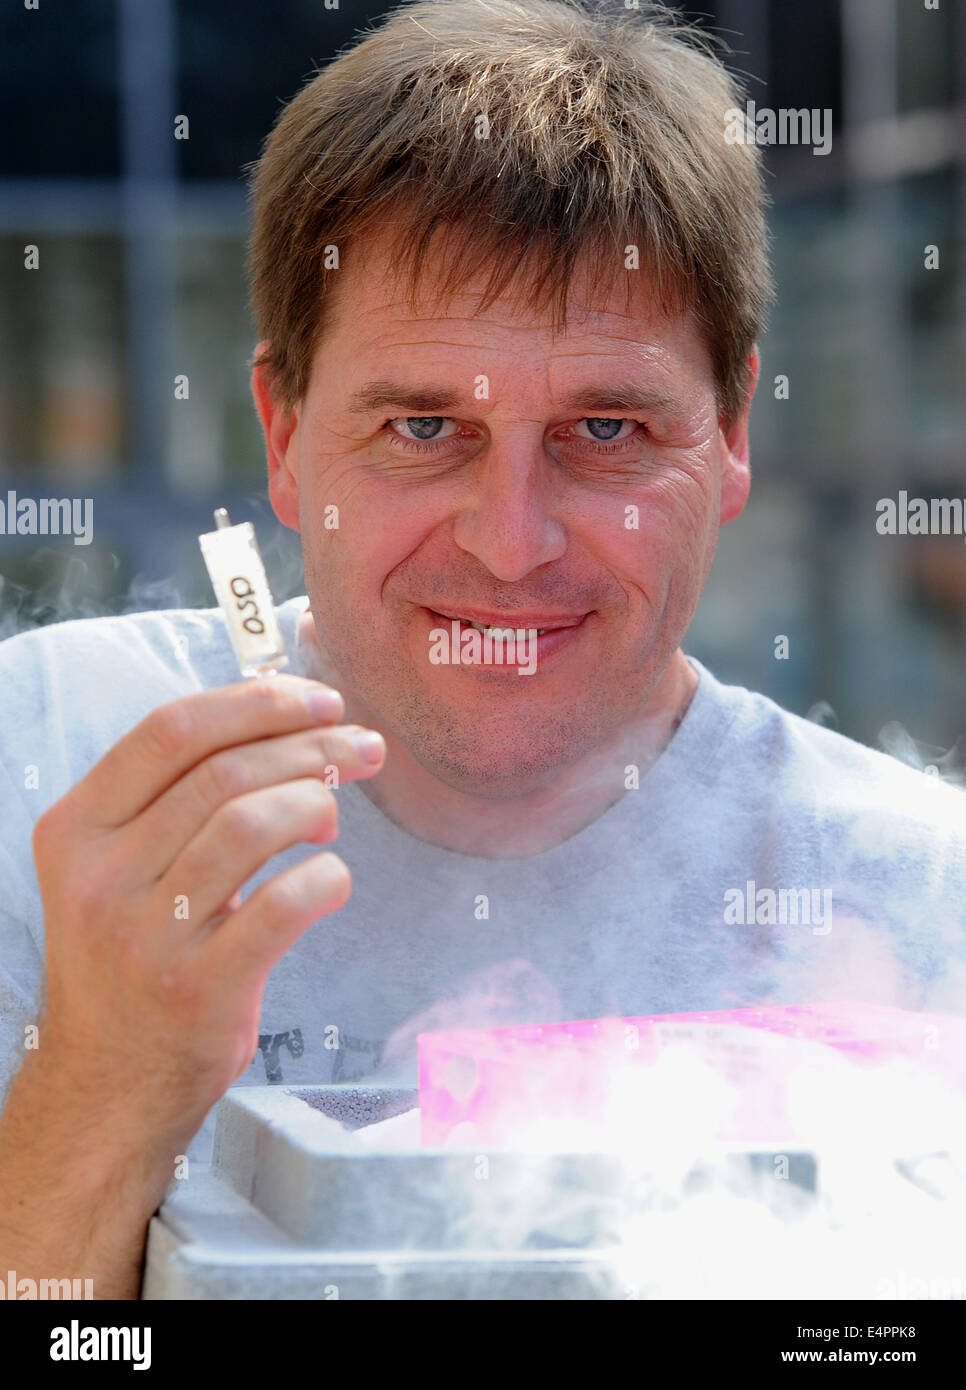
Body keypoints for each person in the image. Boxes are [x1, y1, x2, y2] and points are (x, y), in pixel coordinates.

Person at [0, 0, 963, 1300]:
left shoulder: (918, 895)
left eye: (607, 430)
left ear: (731, 432)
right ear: (282, 440)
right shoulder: (44, 764)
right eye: (420, 428)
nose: (509, 547)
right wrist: (102, 1088)